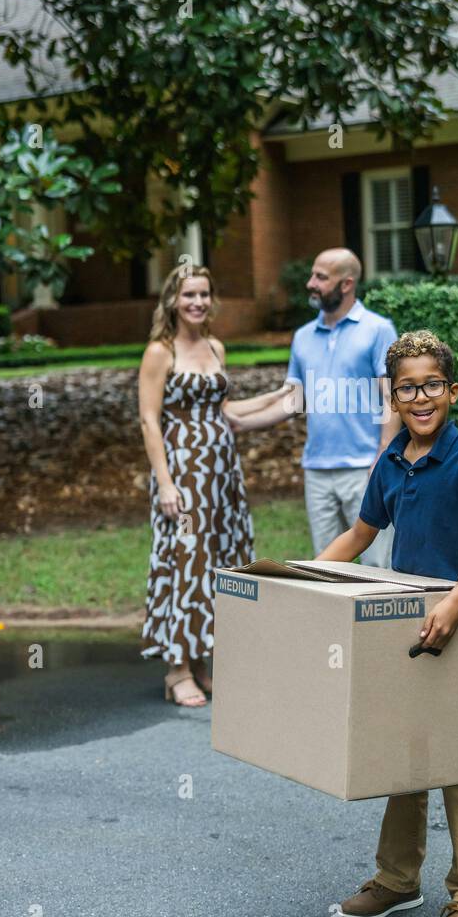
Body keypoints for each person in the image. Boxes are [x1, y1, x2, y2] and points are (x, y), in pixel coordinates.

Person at [316, 328, 458, 917]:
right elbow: (360, 536)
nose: (420, 397)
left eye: (431, 385)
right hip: (407, 625)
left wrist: (455, 603)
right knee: (406, 754)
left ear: (451, 391)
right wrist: (304, 581)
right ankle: (398, 879)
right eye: (407, 388)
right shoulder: (391, 461)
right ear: (392, 397)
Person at [138, 263, 292, 706]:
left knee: (218, 560)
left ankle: (203, 659)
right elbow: (149, 420)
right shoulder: (159, 352)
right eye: (189, 295)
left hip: (222, 474)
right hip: (182, 473)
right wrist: (165, 484)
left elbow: (228, 411)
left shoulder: (215, 347)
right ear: (172, 300)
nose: (198, 302)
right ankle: (177, 668)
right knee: (185, 560)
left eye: (204, 294)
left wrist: (283, 399)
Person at [237, 248, 401, 567]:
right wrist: (241, 422)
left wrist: (382, 455)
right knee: (325, 570)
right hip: (317, 469)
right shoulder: (302, 337)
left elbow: (391, 397)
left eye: (321, 277)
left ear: (346, 284)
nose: (311, 283)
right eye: (313, 275)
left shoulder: (377, 329)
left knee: (378, 565)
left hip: (364, 467)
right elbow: (294, 400)